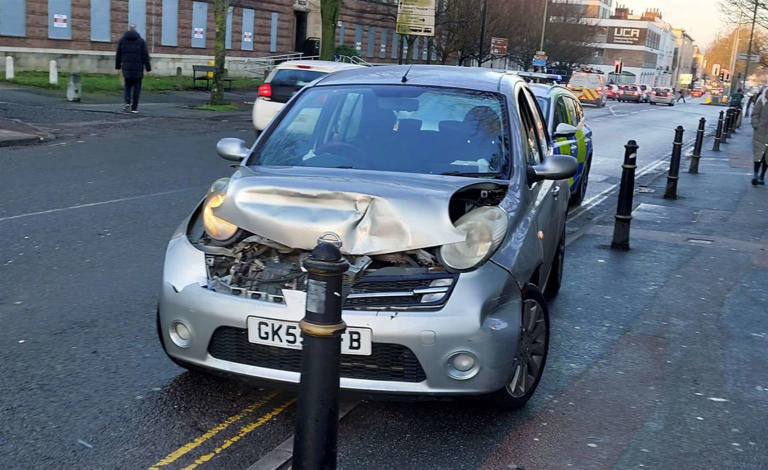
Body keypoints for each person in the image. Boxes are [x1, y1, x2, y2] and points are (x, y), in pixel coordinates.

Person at [115, 24, 151, 113]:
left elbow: (118, 55)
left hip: (126, 68)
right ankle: (134, 108)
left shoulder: (122, 41)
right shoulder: (141, 41)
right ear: (135, 30)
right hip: (138, 69)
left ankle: (127, 102)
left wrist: (118, 67)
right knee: (137, 88)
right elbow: (145, 56)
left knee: (127, 85)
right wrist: (148, 68)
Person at [749, 88, 768, 185]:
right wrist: (756, 125)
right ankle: (755, 174)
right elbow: (755, 114)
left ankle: (762, 176)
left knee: (766, 157)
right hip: (760, 132)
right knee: (758, 155)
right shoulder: (762, 100)